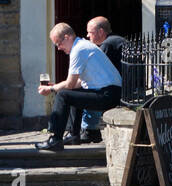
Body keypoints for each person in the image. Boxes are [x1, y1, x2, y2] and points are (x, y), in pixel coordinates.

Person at [36, 22, 122, 151]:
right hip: (111, 92)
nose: (58, 48)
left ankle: (55, 139)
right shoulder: (82, 46)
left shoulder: (79, 49)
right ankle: (73, 135)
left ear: (67, 37)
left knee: (63, 95)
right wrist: (56, 86)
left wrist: (52, 89)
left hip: (108, 94)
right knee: (70, 92)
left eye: (58, 43)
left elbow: (70, 83)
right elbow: (78, 83)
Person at [67, 16, 127, 144]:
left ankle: (89, 130)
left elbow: (97, 75)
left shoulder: (107, 44)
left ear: (101, 32)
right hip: (125, 85)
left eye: (90, 32)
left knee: (82, 92)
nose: (87, 36)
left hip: (117, 90)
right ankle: (87, 130)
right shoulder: (116, 40)